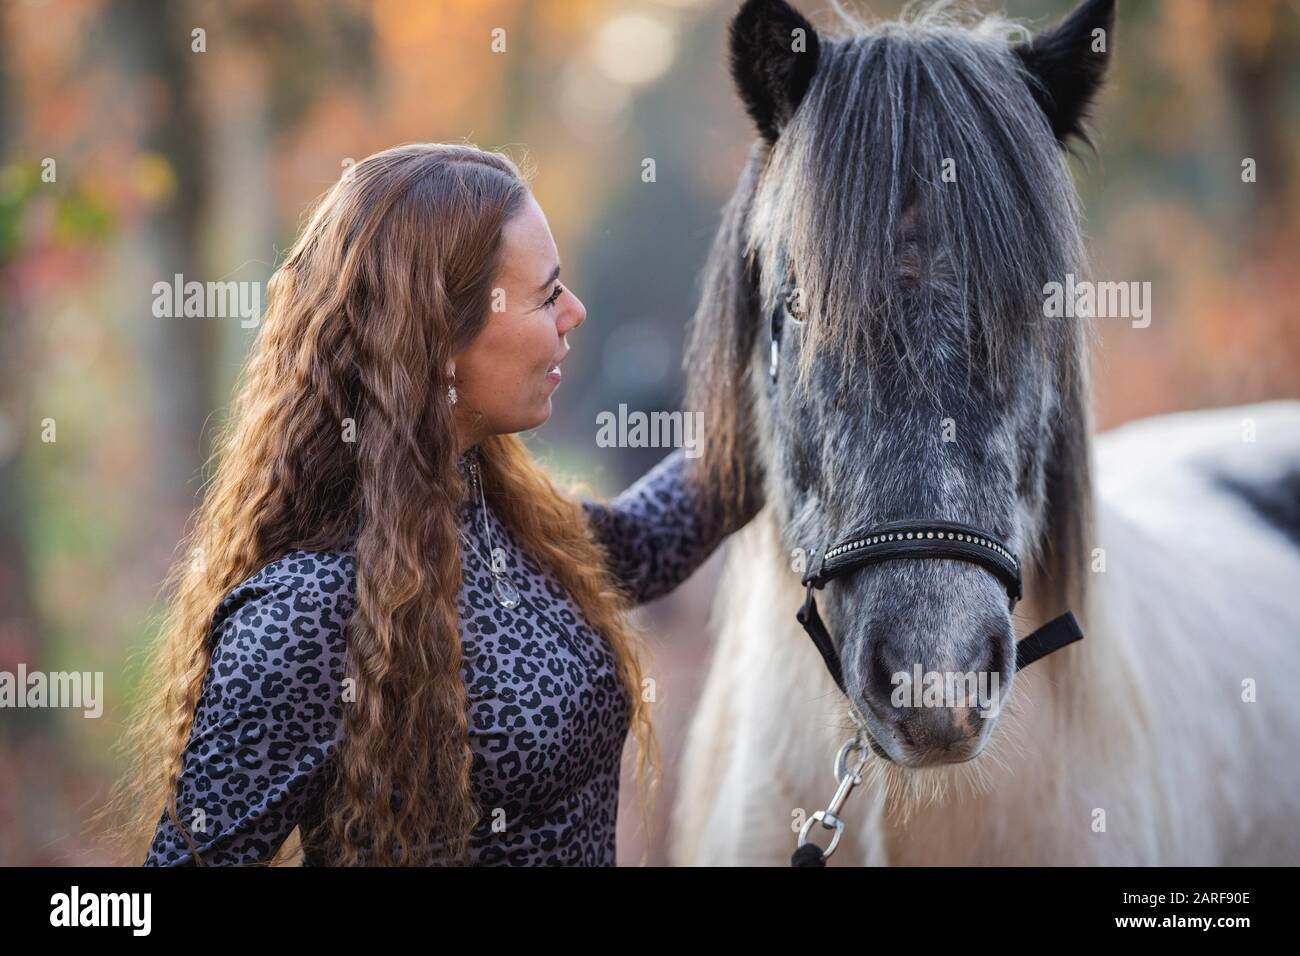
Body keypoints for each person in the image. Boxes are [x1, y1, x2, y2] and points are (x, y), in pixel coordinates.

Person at [100, 142, 759, 866]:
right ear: (441, 334)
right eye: (546, 295)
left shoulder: (503, 516)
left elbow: (643, 539)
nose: (575, 312)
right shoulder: (305, 615)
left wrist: (803, 394)